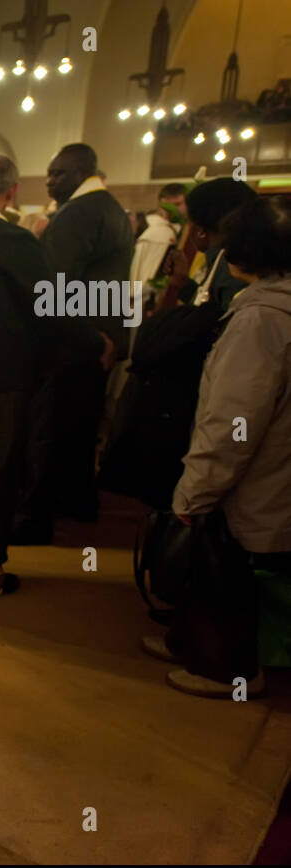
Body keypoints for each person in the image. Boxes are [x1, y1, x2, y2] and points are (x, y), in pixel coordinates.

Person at [165, 196, 291, 698]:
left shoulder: (261, 319)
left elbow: (234, 422)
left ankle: (230, 671)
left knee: (230, 583)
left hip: (258, 484)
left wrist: (195, 492)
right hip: (274, 478)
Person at [0, 154, 103, 589]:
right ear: (11, 192)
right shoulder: (14, 241)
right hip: (1, 376)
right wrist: (95, 343)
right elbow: (51, 307)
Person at [98, 178, 257, 510]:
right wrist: (183, 286)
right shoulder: (228, 264)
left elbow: (218, 326)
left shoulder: (231, 270)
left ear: (199, 231)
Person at [36, 142, 131, 524]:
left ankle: (59, 505)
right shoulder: (112, 209)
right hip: (99, 331)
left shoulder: (79, 212)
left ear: (82, 172)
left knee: (60, 429)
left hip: (79, 339)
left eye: (58, 173)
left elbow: (55, 285)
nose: (49, 181)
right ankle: (76, 499)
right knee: (81, 425)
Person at [131, 183, 188, 306]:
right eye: (166, 205)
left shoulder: (184, 230)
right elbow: (146, 277)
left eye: (178, 204)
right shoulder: (157, 233)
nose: (171, 210)